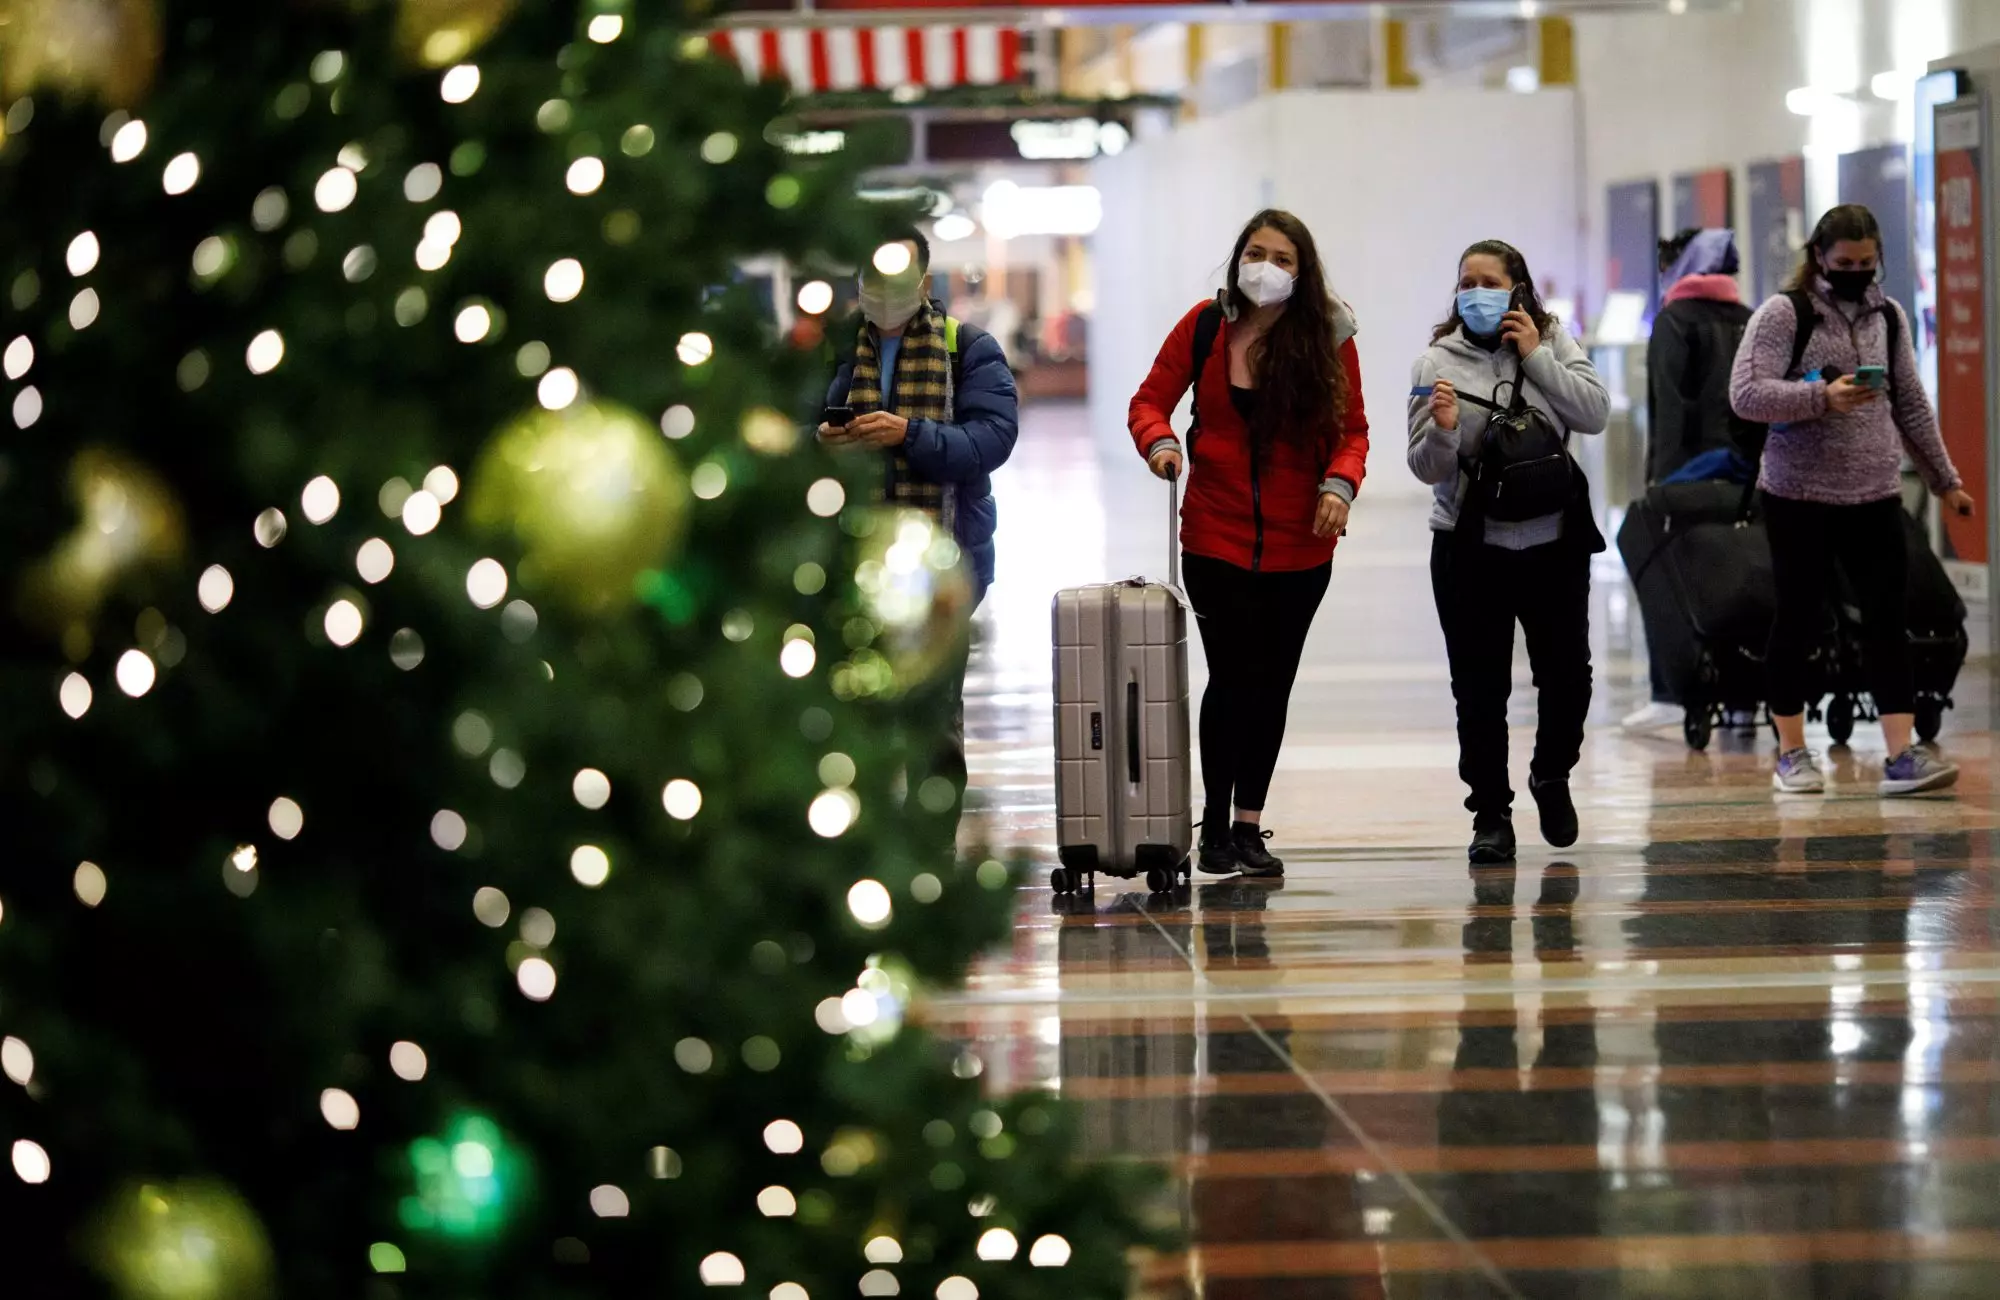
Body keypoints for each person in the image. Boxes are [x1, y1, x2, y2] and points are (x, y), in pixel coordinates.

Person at [1128, 209, 1369, 879]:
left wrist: (1338, 486)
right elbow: (1148, 401)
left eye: (1284, 258)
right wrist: (1162, 444)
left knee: (1273, 682)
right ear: (1238, 259)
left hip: (1302, 547)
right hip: (1214, 538)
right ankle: (1213, 828)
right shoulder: (1205, 327)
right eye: (1256, 252)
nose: (1268, 266)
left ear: (1303, 271)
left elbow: (1354, 431)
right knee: (1231, 678)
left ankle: (1249, 827)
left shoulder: (1328, 337)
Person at [1728, 203, 1975, 797]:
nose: (1856, 271)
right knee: (1800, 618)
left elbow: (1910, 403)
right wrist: (1820, 399)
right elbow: (1746, 395)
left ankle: (1901, 753)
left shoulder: (1887, 317)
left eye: (1866, 263)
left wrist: (1945, 480)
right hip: (1797, 494)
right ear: (1819, 256)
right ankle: (1791, 751)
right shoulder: (1783, 315)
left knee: (1888, 621)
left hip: (1874, 494)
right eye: (1844, 262)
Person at [1408, 240, 1610, 864]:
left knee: (1567, 677)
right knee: (1479, 687)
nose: (1476, 291)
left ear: (1518, 288)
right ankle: (1490, 814)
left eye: (1490, 281)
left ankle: (1552, 775)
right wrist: (1442, 430)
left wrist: (1537, 356)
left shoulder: (1557, 343)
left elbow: (1594, 413)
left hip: (1554, 544)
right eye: (1466, 281)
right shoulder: (1434, 360)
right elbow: (1422, 466)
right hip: (1471, 549)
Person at [820, 228, 1020, 834]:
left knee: (935, 721)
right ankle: (868, 854)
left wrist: (908, 434)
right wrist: (820, 442)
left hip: (944, 564)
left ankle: (931, 856)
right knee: (856, 721)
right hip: (850, 565)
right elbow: (789, 422)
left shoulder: (967, 348)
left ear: (925, 283)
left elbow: (993, 439)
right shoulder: (833, 351)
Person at [1623, 227, 1760, 733]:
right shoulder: (1750, 320)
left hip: (1687, 477)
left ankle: (1670, 692)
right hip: (1747, 478)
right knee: (1738, 577)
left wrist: (1661, 484)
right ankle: (1745, 697)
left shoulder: (1674, 321)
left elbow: (1670, 413)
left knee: (1670, 576)